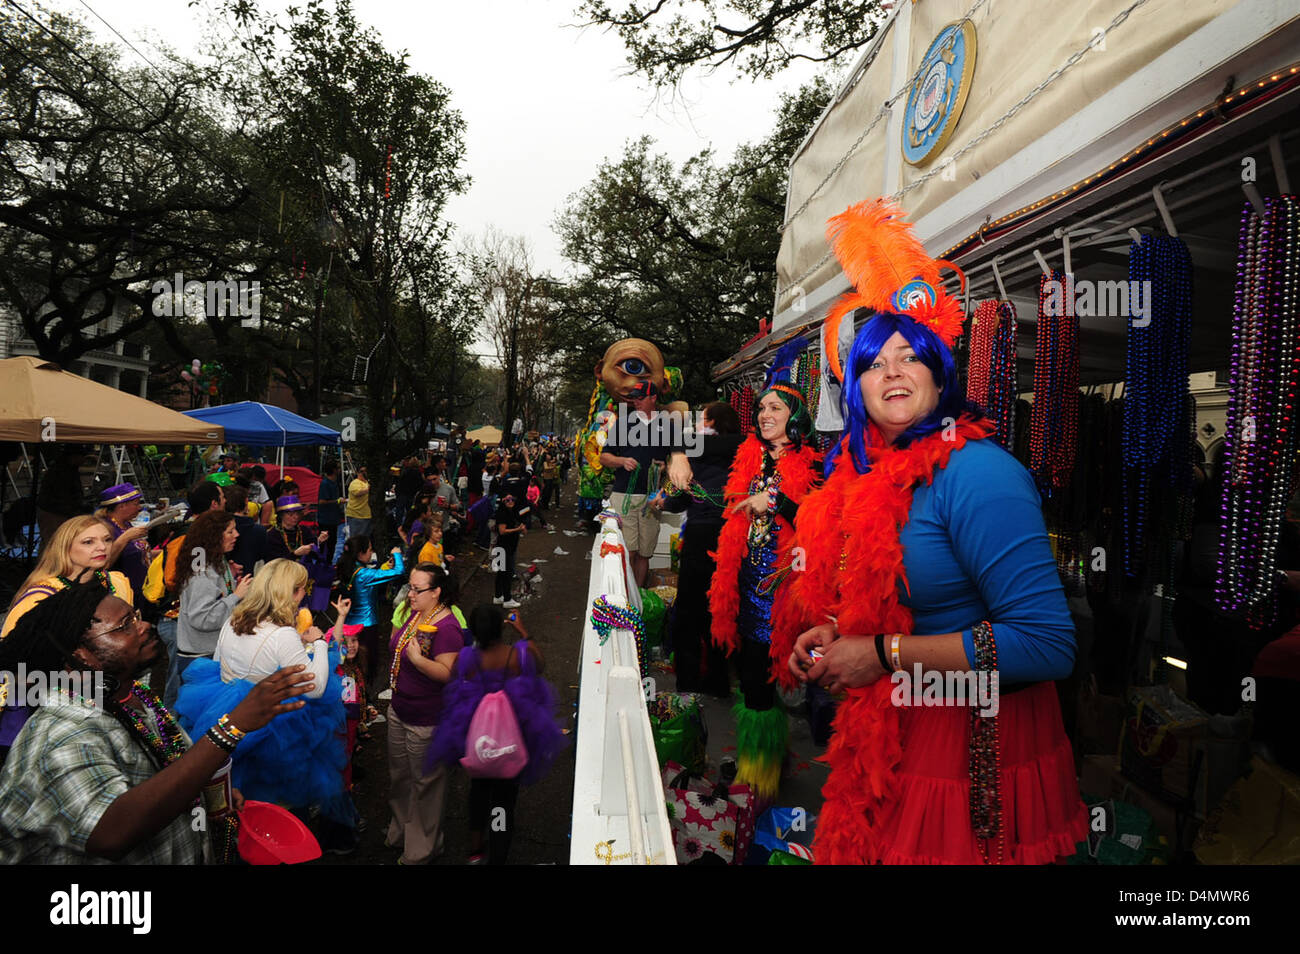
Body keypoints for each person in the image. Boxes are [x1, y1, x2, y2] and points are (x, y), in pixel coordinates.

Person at [780, 198, 1086, 864]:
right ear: (852, 387)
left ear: (939, 373)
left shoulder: (978, 473)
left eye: (908, 356)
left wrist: (885, 654)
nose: (890, 371)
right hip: (889, 740)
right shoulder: (867, 478)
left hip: (969, 756)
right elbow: (891, 600)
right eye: (870, 361)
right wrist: (841, 637)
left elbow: (1047, 644)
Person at [0, 582, 315, 863]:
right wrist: (230, 728)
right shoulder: (61, 731)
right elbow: (111, 834)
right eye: (125, 625)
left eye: (136, 616)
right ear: (81, 655)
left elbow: (168, 769)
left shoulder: (133, 695)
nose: (145, 626)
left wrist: (206, 792)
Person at [708, 339, 821, 804]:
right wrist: (675, 456)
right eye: (761, 408)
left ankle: (760, 776)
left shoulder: (814, 464)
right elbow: (693, 442)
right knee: (751, 678)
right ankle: (764, 760)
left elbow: (816, 524)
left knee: (765, 681)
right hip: (742, 584)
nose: (763, 414)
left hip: (782, 591)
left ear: (794, 416)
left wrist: (773, 501)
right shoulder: (748, 456)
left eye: (774, 407)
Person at [175, 559, 352, 848]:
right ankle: (280, 844)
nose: (304, 595)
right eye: (302, 589)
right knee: (280, 795)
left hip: (226, 709)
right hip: (275, 724)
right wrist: (319, 643)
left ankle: (247, 842)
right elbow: (315, 688)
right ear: (291, 592)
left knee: (244, 789)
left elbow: (220, 665)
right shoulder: (282, 634)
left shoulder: (233, 619)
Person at [426, 604, 565, 864]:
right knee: (503, 798)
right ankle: (499, 851)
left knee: (478, 791)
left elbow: (455, 686)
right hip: (508, 741)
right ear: (502, 626)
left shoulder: (466, 657)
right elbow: (541, 665)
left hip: (478, 741)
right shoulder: (517, 656)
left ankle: (475, 849)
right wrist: (524, 632)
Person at [664, 402, 745, 697]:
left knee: (689, 610)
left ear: (713, 423)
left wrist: (677, 460)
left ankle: (687, 682)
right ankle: (718, 680)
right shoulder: (742, 451)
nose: (697, 424)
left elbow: (678, 499)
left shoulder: (697, 452)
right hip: (733, 538)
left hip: (701, 537)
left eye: (703, 420)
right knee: (721, 609)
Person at [386, 562, 464, 865]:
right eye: (410, 586)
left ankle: (421, 849)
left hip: (426, 719)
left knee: (426, 785)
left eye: (417, 589)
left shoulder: (447, 628)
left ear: (437, 592)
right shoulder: (416, 612)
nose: (410, 594)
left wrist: (418, 661)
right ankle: (402, 832)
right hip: (399, 710)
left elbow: (448, 674)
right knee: (401, 779)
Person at [599, 385, 668, 588]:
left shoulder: (668, 426)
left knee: (645, 553)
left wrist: (666, 466)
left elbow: (678, 459)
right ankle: (626, 597)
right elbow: (604, 457)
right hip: (623, 496)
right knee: (628, 551)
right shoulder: (622, 425)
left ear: (653, 398)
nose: (635, 401)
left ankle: (638, 596)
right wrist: (622, 461)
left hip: (652, 499)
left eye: (640, 397)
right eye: (633, 398)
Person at [174, 511, 252, 685]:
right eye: (230, 532)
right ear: (214, 536)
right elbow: (201, 618)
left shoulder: (211, 560)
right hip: (201, 659)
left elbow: (211, 593)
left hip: (207, 654)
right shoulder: (202, 572)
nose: (236, 535)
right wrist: (236, 596)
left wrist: (229, 581)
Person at [335, 536, 405, 687]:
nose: (371, 553)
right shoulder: (363, 575)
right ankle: (365, 698)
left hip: (350, 624)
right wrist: (397, 554)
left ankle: (354, 694)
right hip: (367, 626)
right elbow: (399, 571)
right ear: (360, 553)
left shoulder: (351, 568)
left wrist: (386, 565)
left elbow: (375, 575)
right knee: (368, 664)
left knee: (353, 662)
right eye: (370, 549)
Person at [95, 483, 152, 603]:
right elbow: (103, 564)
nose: (139, 508)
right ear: (122, 506)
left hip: (140, 588)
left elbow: (137, 553)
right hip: (123, 593)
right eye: (136, 504)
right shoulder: (105, 528)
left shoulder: (125, 524)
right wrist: (124, 538)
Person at [267, 494, 328, 565]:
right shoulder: (272, 535)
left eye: (297, 513)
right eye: (291, 514)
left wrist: (319, 542)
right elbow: (273, 562)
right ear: (281, 515)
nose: (295, 517)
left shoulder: (304, 530)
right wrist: (295, 554)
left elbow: (316, 555)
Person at [493, 492, 526, 610]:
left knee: (502, 573)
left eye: (512, 499)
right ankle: (507, 599)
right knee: (506, 573)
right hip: (503, 548)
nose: (510, 501)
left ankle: (498, 596)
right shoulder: (502, 513)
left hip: (504, 547)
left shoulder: (511, 512)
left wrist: (521, 529)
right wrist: (517, 529)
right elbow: (502, 531)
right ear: (503, 502)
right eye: (507, 500)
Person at [317, 461, 345, 564]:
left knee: (332, 544)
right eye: (338, 468)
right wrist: (337, 501)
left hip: (333, 519)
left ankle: (328, 565)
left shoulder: (334, 483)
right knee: (325, 544)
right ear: (333, 470)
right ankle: (322, 566)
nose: (340, 470)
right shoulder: (325, 484)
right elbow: (322, 501)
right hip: (325, 519)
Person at [346, 467, 372, 540]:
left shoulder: (367, 482)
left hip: (366, 515)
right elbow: (358, 492)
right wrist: (370, 488)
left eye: (365, 471)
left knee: (365, 540)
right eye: (361, 471)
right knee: (356, 540)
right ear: (357, 473)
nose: (364, 473)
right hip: (356, 515)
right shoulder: (355, 482)